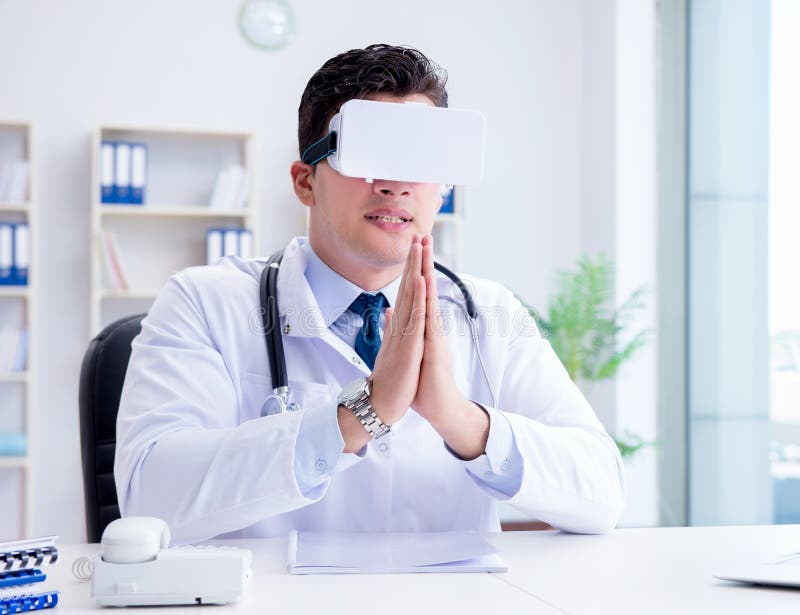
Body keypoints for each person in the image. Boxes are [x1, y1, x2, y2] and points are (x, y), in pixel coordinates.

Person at [115, 44, 625, 545]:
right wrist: (362, 414)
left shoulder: (490, 314)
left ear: (442, 191)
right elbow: (150, 500)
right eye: (368, 154)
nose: (396, 184)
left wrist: (457, 418)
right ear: (305, 181)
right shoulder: (205, 304)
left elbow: (602, 492)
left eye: (420, 160)